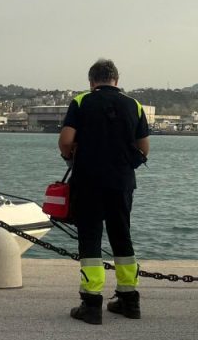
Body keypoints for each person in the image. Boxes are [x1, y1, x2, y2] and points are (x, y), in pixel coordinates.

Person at [59, 58, 151, 325]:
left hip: (88, 180)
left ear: (91, 81)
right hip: (122, 181)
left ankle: (91, 303)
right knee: (122, 236)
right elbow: (144, 148)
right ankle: (129, 299)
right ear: (117, 80)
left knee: (90, 238)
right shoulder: (134, 105)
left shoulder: (81, 102)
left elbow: (66, 141)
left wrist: (72, 155)